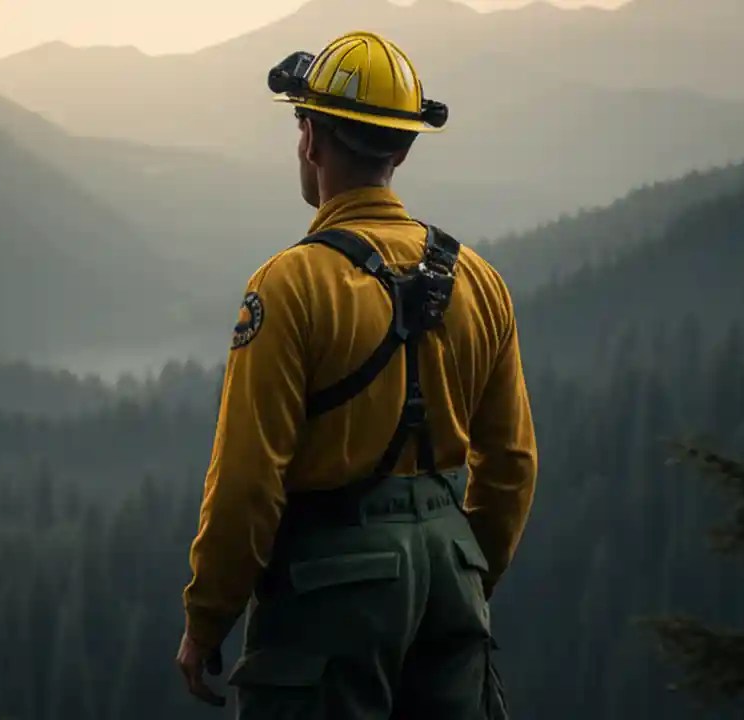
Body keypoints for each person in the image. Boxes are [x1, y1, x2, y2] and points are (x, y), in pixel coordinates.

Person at [176, 30, 538, 719]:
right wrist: (467, 570)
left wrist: (206, 617)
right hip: (450, 581)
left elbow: (249, 480)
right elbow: (512, 465)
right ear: (402, 148)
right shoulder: (481, 281)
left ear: (310, 139)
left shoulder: (290, 285)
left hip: (328, 592)